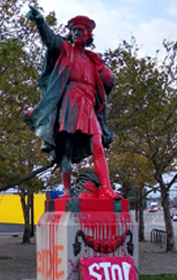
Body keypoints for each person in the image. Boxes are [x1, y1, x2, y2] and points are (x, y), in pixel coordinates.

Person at [23, 6, 119, 199]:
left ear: (88, 35)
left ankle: (107, 189)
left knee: (98, 144)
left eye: (80, 30)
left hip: (88, 104)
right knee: (66, 148)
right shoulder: (65, 48)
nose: (76, 33)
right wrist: (40, 22)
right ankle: (67, 191)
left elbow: (103, 86)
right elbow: (49, 39)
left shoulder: (93, 60)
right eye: (74, 29)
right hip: (70, 101)